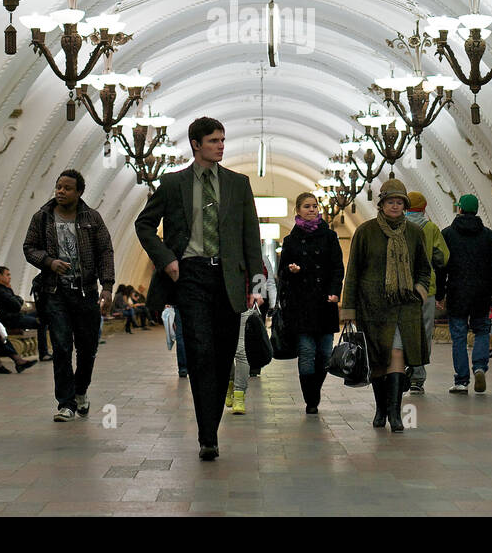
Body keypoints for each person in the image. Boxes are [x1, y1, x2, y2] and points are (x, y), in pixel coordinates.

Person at [135, 116, 263, 461]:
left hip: (227, 279)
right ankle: (208, 436)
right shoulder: (174, 184)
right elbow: (143, 224)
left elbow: (252, 236)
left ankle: (212, 422)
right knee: (200, 352)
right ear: (195, 144)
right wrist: (166, 260)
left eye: (223, 140)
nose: (221, 145)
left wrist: (257, 283)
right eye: (213, 141)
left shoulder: (238, 184)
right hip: (189, 276)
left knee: (222, 355)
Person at [24, 169, 115, 423]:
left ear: (79, 192)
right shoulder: (42, 217)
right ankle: (66, 403)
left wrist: (107, 286)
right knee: (62, 347)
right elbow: (29, 247)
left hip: (85, 292)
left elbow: (106, 251)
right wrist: (49, 262)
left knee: (87, 348)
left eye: (67, 188)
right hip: (54, 292)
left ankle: (80, 390)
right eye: (58, 187)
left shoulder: (92, 219)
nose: (61, 192)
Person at [341, 178, 430, 433]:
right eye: (390, 201)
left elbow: (424, 269)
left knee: (397, 356)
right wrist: (349, 310)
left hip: (404, 308)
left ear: (405, 205)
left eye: (399, 202)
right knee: (378, 359)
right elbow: (354, 271)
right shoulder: (366, 232)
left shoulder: (414, 233)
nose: (395, 206)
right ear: (382, 204)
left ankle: (395, 413)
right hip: (373, 307)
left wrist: (419, 292)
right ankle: (381, 409)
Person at [277, 192, 344, 415]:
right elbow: (282, 273)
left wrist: (335, 291)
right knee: (306, 352)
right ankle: (311, 399)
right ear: (297, 210)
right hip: (302, 305)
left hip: (325, 302)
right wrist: (290, 270)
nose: (312, 210)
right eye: (307, 206)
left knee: (325, 353)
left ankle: (315, 388)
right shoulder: (291, 241)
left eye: (315, 206)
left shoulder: (330, 237)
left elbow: (337, 267)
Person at [436, 194, 492, 395]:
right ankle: (480, 367)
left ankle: (462, 381)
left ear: (460, 210)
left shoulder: (447, 234)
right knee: (481, 331)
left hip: (457, 291)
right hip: (481, 293)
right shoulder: (488, 235)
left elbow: (440, 267)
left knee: (459, 337)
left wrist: (439, 294)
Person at [405, 191, 449, 395]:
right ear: (424, 208)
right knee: (424, 330)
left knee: (403, 328)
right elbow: (443, 257)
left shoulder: (398, 226)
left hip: (402, 286)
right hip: (426, 288)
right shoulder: (430, 228)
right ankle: (417, 376)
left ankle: (403, 366)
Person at [0, 267, 39, 331]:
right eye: (7, 275)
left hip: (16, 317)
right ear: (0, 276)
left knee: (41, 312)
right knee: (40, 323)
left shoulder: (5, 289)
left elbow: (16, 301)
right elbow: (17, 305)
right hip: (10, 321)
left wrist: (15, 297)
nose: (10, 277)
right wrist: (11, 291)